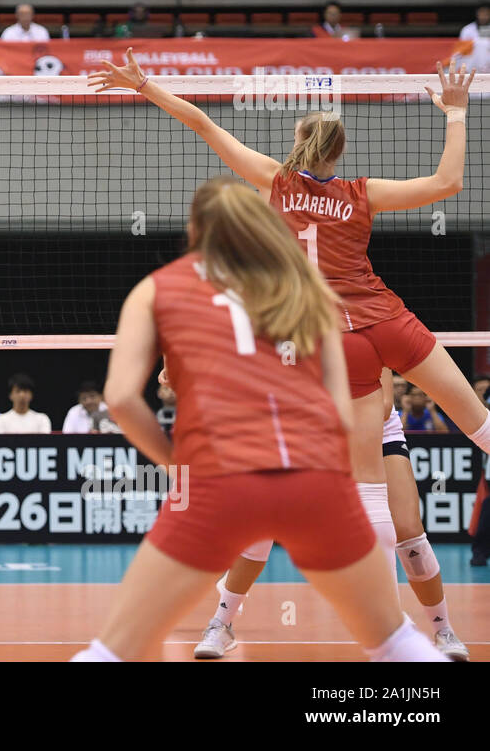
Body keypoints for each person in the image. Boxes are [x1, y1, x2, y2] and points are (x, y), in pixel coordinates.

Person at [94, 51, 488, 658]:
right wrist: (457, 114)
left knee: (366, 502)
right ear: (339, 151)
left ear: (300, 144)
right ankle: (390, 639)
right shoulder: (362, 193)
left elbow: (201, 122)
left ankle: (392, 638)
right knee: (479, 426)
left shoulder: (273, 182)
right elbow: (447, 186)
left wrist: (144, 84)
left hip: (339, 340)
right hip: (388, 321)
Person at [72, 177, 445, 663]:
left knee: (111, 651)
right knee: (395, 644)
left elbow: (121, 398)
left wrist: (171, 462)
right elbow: (337, 401)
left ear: (194, 229)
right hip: (311, 479)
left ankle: (220, 622)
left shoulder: (159, 288)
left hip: (219, 482)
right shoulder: (305, 289)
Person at [194, 367, 469, 661]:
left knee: (409, 533)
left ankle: (443, 630)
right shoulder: (299, 331)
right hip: (311, 432)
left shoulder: (367, 324)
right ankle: (221, 624)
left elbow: (383, 405)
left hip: (374, 432)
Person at [455, 2, 490, 72]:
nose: (484, 16)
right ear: (477, 14)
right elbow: (461, 50)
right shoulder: (467, 29)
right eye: (481, 13)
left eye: (486, 14)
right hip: (471, 65)